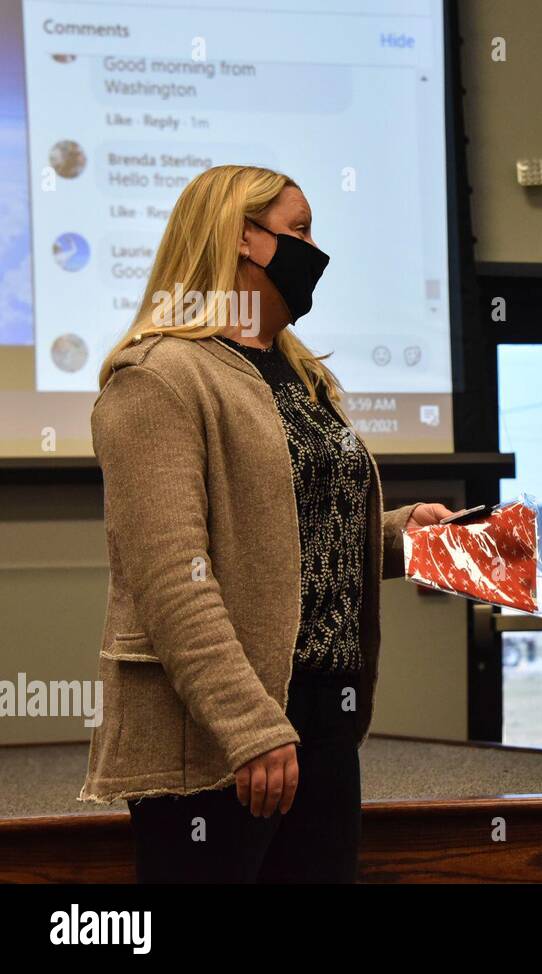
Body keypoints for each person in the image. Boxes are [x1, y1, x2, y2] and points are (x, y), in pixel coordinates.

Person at [78, 165, 458, 882]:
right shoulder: (158, 378)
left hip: (322, 717)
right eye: (301, 230)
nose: (317, 251)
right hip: (219, 735)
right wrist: (250, 728)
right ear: (242, 238)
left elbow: (287, 536)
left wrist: (406, 534)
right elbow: (171, 582)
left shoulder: (296, 372)